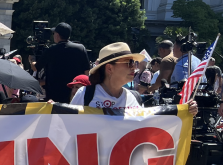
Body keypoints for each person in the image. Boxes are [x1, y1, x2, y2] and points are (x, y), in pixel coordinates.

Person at [69, 42, 198, 114]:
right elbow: (67, 128)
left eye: (134, 63)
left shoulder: (135, 98)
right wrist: (51, 111)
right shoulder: (86, 94)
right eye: (128, 63)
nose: (133, 67)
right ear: (109, 68)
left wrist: (185, 111)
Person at [35, 23, 90, 103]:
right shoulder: (80, 48)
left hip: (54, 95)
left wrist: (32, 60)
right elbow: (86, 72)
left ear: (57, 35)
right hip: (75, 93)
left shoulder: (51, 50)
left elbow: (36, 67)